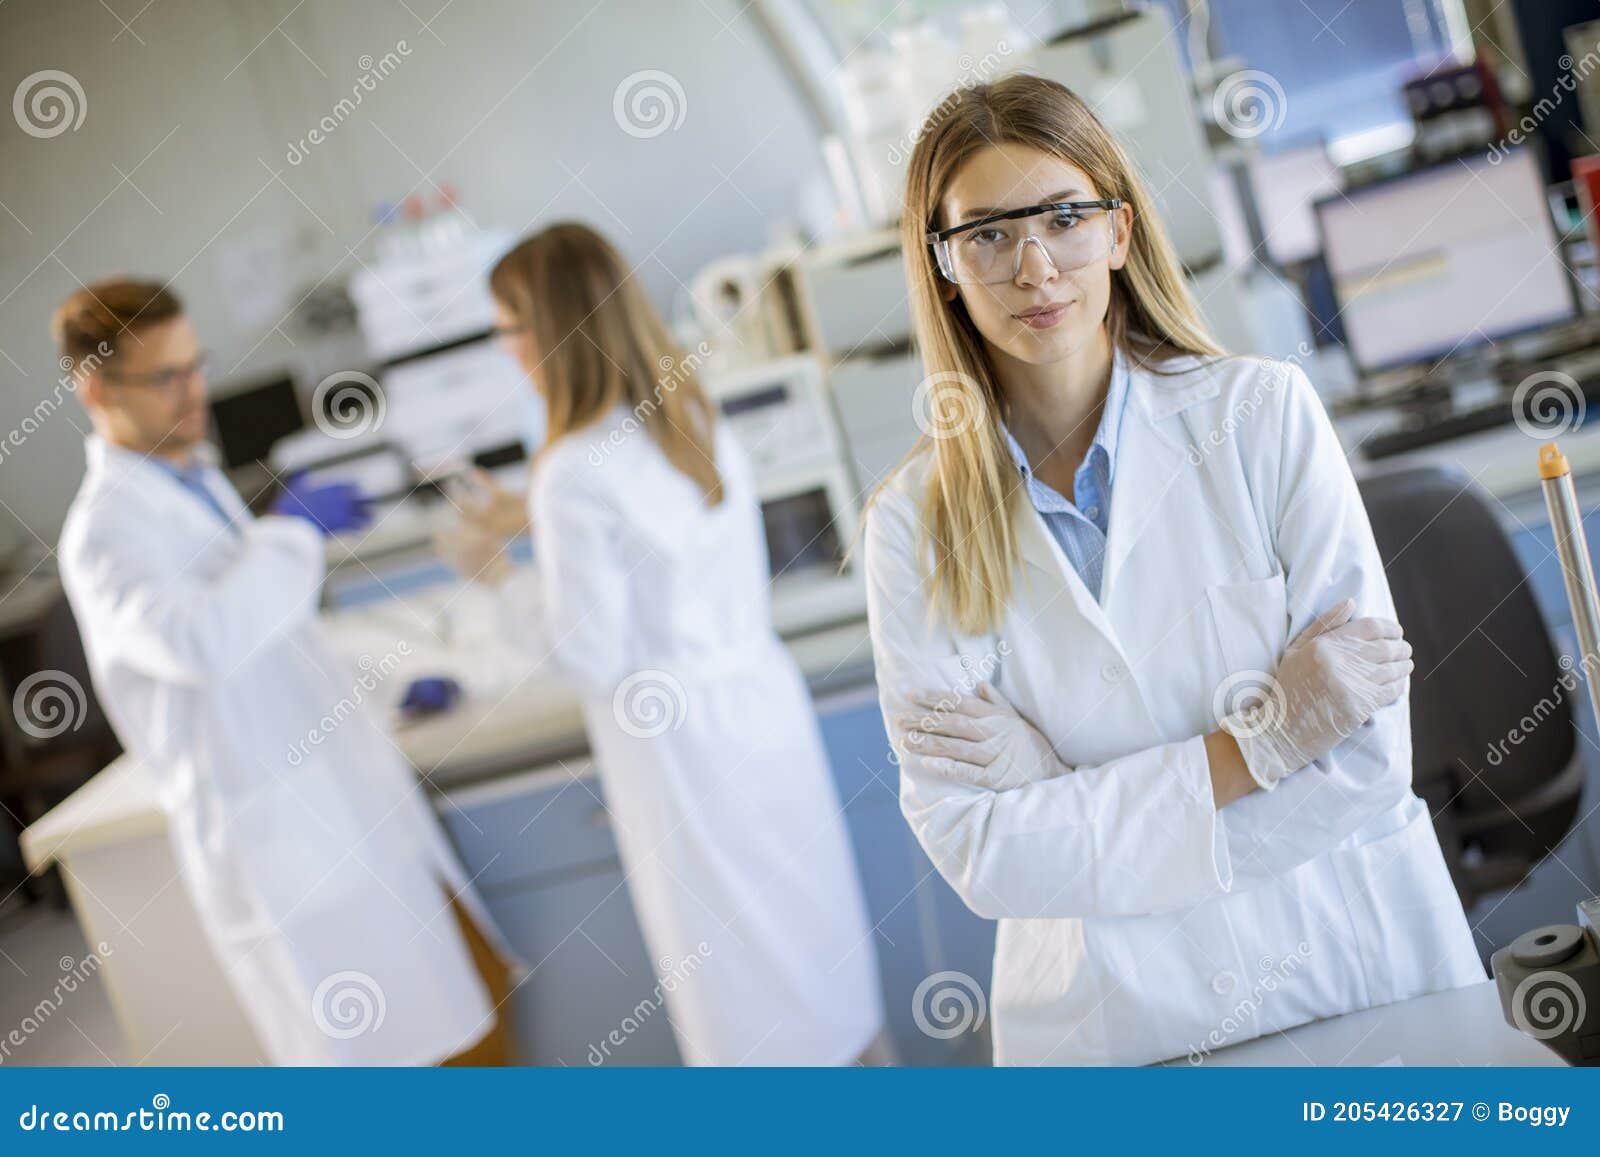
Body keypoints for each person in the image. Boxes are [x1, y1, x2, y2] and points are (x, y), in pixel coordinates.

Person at [862, 75, 1483, 1066]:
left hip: (1351, 974)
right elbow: (982, 853)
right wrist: (1258, 745)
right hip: (1118, 1029)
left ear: (1118, 229)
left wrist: (1062, 788)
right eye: (985, 234)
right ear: (940, 265)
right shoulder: (910, 526)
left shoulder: (1261, 416)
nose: (1032, 266)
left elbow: (1362, 767)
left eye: (1064, 216)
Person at [442, 223, 887, 1065]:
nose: (510, 353)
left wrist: (498, 575)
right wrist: (534, 516)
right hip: (760, 715)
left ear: (543, 333)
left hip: (684, 754)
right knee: (816, 963)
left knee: (747, 1006)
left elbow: (589, 654)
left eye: (507, 331)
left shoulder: (571, 468)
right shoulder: (690, 412)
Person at [53, 278, 520, 1066]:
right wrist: (288, 535)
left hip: (344, 809)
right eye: (167, 377)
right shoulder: (104, 532)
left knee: (470, 1033)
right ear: (93, 387)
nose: (195, 392)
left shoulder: (192, 482)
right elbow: (204, 642)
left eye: (196, 365)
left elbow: (276, 649)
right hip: (286, 853)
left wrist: (381, 686)